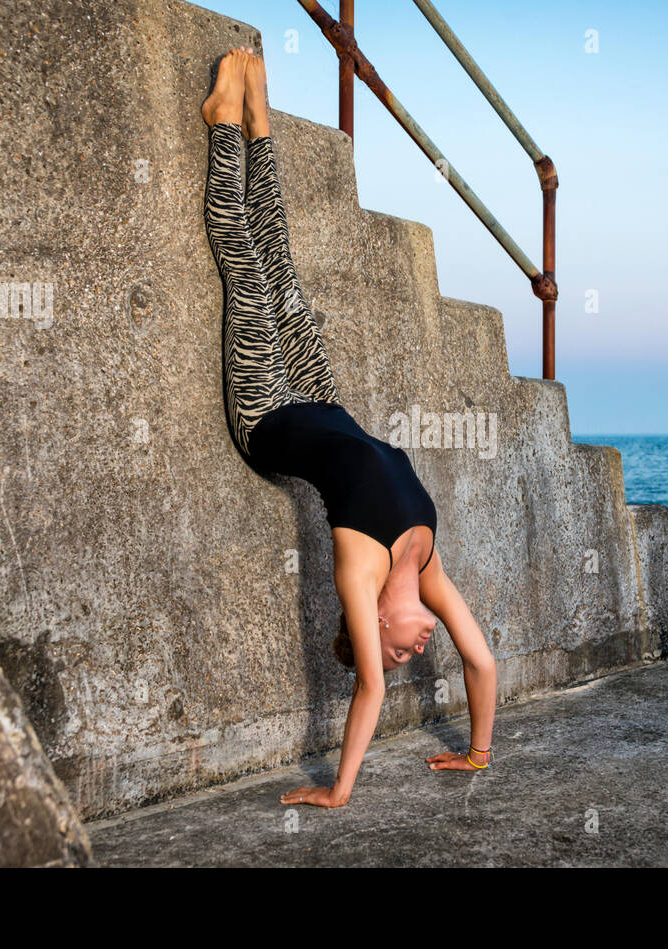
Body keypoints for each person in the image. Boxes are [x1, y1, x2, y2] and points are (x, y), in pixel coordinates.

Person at [202, 47, 497, 807]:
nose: (412, 647)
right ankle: (260, 127)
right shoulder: (426, 568)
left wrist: (338, 790)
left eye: (398, 646)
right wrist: (478, 753)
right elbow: (484, 661)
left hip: (268, 414)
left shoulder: (360, 572)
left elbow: (368, 688)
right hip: (322, 399)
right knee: (284, 266)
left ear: (372, 620)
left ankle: (224, 127)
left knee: (243, 260)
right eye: (408, 652)